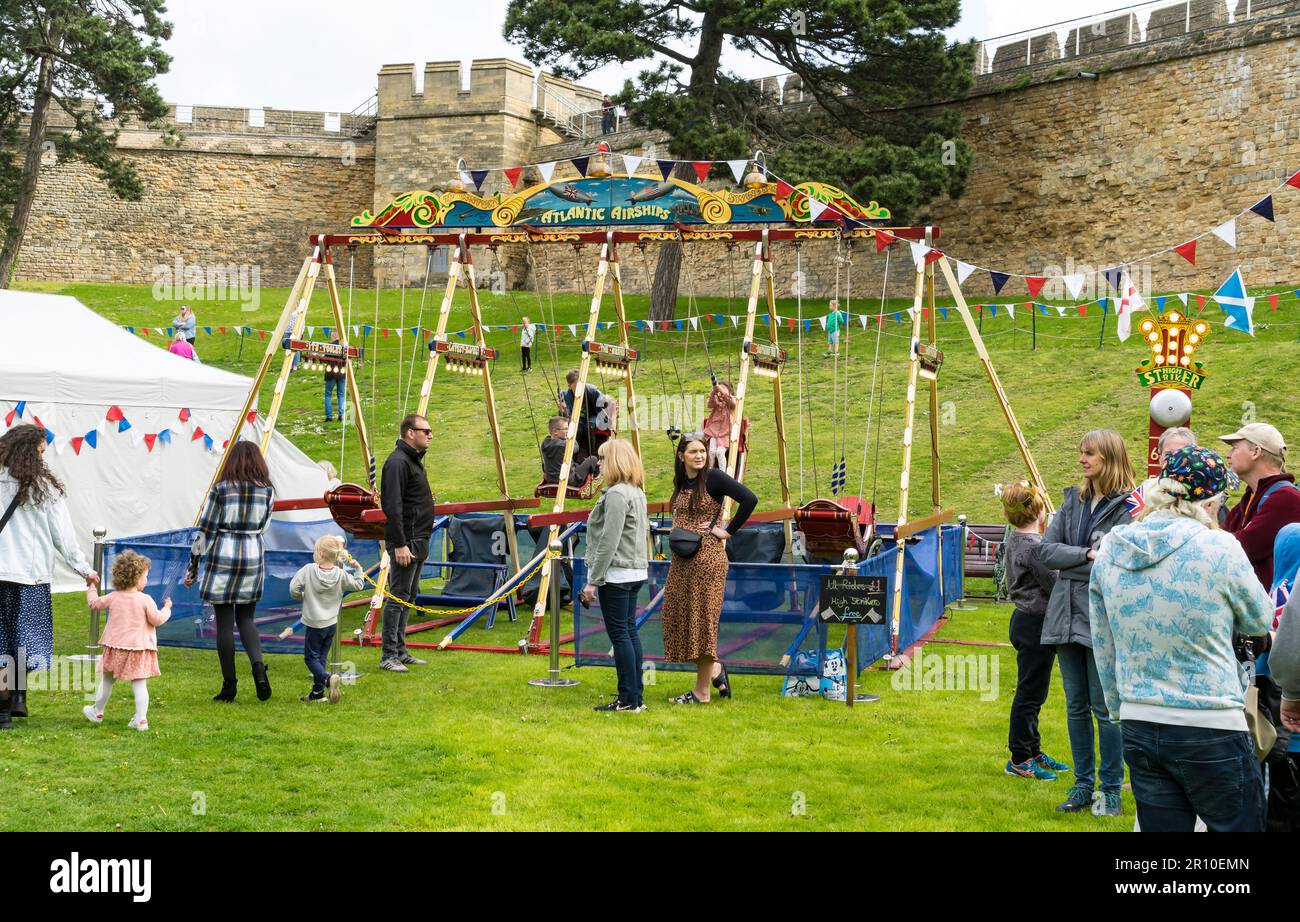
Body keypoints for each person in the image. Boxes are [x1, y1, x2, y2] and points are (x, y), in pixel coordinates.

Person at [1090, 446, 1272, 832]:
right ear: (1211, 500)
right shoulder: (1218, 546)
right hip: (1210, 717)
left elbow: (1103, 642)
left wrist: (1118, 708)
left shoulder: (1112, 549)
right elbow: (1259, 618)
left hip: (1140, 715)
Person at [1039, 428, 1135, 816]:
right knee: (1076, 706)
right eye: (1081, 452)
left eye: (1090, 453)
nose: (1082, 460)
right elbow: (1046, 552)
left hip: (1103, 617)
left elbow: (1116, 558)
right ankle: (1082, 786)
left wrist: (1078, 560)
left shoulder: (1130, 506)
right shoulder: (1072, 500)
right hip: (1064, 614)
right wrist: (1086, 555)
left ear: (1109, 457)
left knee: (1104, 707)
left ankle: (1110, 789)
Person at [0, 425, 98, 729]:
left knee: (3, 645)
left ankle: (8, 706)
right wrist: (84, 568)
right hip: (31, 578)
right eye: (41, 452)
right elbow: (63, 537)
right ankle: (14, 698)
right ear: (30, 452)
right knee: (25, 645)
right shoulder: (45, 487)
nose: (43, 458)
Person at [661, 433, 757, 704]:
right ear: (681, 456)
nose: (699, 456)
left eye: (702, 451)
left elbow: (749, 499)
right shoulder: (681, 482)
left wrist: (727, 531)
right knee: (679, 617)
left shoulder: (714, 478)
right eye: (693, 452)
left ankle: (701, 692)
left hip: (707, 560)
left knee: (702, 622)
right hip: (681, 561)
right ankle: (714, 669)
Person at [185, 441, 275, 702]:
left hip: (223, 555)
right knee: (246, 619)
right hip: (252, 555)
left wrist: (193, 563)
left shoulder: (221, 490)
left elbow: (206, 530)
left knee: (223, 622)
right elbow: (264, 526)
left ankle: (229, 686)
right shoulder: (268, 491)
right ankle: (259, 670)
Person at [999, 482, 1070, 781]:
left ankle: (1033, 749)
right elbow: (1054, 582)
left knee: (1034, 691)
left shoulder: (1016, 540)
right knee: (1030, 693)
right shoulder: (1034, 548)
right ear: (1039, 510)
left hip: (1024, 620)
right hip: (1034, 624)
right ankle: (1019, 757)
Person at [580, 439, 649, 712]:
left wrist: (592, 581)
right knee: (629, 633)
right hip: (634, 569)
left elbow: (609, 540)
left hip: (618, 572)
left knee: (620, 635)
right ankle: (634, 697)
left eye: (603, 458)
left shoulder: (617, 493)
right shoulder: (635, 491)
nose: (599, 463)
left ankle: (627, 699)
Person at [83, 551, 171, 731]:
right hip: (139, 650)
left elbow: (94, 604)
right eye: (146, 576)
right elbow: (157, 619)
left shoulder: (113, 597)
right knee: (139, 684)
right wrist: (167, 608)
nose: (146, 580)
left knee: (107, 681)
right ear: (136, 577)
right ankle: (141, 719)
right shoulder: (145, 600)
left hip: (115, 649)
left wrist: (91, 587)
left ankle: (97, 710)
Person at [378, 414, 435, 673]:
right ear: (410, 433)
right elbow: (392, 506)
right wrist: (400, 544)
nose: (430, 435)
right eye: (426, 431)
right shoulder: (398, 462)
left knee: (408, 595)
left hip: (418, 538)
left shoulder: (412, 461)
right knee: (398, 596)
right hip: (407, 541)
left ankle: (400, 651)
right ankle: (389, 655)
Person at [279, 535, 364, 703]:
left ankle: (326, 680)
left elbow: (293, 588)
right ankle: (317, 693)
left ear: (320, 553)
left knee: (310, 658)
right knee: (321, 657)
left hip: (314, 623)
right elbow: (358, 585)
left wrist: (302, 595)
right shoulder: (340, 574)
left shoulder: (308, 570)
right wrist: (358, 569)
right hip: (331, 623)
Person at [1221, 422, 1300, 591]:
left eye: (1234, 448)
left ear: (1256, 452)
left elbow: (1235, 549)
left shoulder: (1286, 499)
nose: (1228, 455)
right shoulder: (1252, 496)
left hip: (1270, 613)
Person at [557, 369, 610, 461]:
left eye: (580, 385)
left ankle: (593, 456)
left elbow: (603, 406)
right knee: (577, 428)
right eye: (575, 386)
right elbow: (565, 416)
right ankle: (575, 457)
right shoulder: (566, 396)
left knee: (590, 426)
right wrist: (562, 410)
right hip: (578, 418)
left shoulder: (592, 390)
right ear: (569, 386)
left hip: (593, 415)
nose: (578, 388)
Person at [541, 417, 599, 487]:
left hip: (551, 479)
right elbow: (576, 448)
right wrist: (572, 436)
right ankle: (595, 477)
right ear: (555, 431)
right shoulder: (564, 445)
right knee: (592, 459)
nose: (568, 431)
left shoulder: (545, 443)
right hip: (570, 481)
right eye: (565, 429)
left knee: (576, 464)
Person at [701, 381, 736, 471]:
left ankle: (722, 474)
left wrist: (722, 391)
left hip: (725, 433)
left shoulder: (731, 401)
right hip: (713, 432)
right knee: (711, 452)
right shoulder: (716, 402)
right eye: (719, 391)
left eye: (723, 390)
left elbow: (732, 403)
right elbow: (709, 404)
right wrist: (714, 391)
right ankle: (709, 471)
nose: (721, 394)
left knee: (720, 452)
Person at [323, 333, 346, 422]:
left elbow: (325, 359)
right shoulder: (344, 346)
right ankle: (341, 415)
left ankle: (329, 417)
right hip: (342, 373)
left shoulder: (329, 346)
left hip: (330, 373)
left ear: (333, 336)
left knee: (328, 394)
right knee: (341, 395)